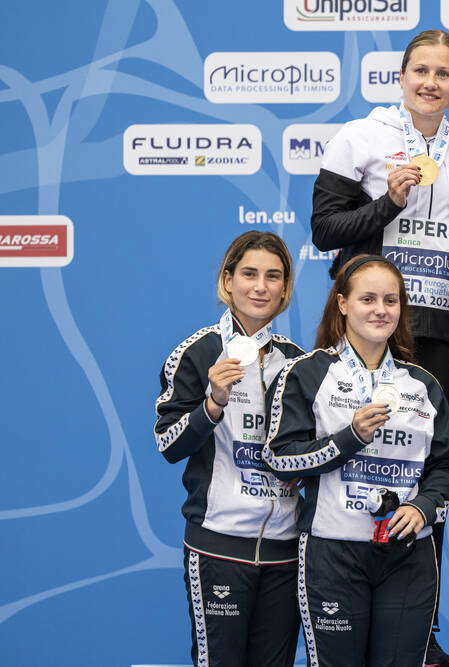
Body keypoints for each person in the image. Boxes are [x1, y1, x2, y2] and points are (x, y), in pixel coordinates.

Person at [310, 33, 449, 662]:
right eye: (421, 71)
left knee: (426, 470)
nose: (431, 82)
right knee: (351, 453)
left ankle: (420, 631)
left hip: (436, 334)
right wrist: (389, 202)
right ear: (402, 76)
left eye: (445, 74)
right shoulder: (360, 137)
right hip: (366, 326)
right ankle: (342, 602)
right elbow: (326, 229)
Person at [263, 255, 449, 667]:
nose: (380, 309)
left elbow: (446, 468)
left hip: (409, 556)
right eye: (367, 298)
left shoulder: (423, 384)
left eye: (391, 300)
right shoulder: (307, 373)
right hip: (332, 553)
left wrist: (422, 507)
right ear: (342, 304)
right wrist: (348, 438)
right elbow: (279, 458)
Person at [154, 231, 305, 667]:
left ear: (285, 288)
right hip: (218, 545)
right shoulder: (196, 353)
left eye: (273, 276)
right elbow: (168, 443)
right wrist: (213, 402)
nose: (261, 286)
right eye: (250, 274)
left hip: (285, 547)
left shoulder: (298, 361)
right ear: (228, 280)